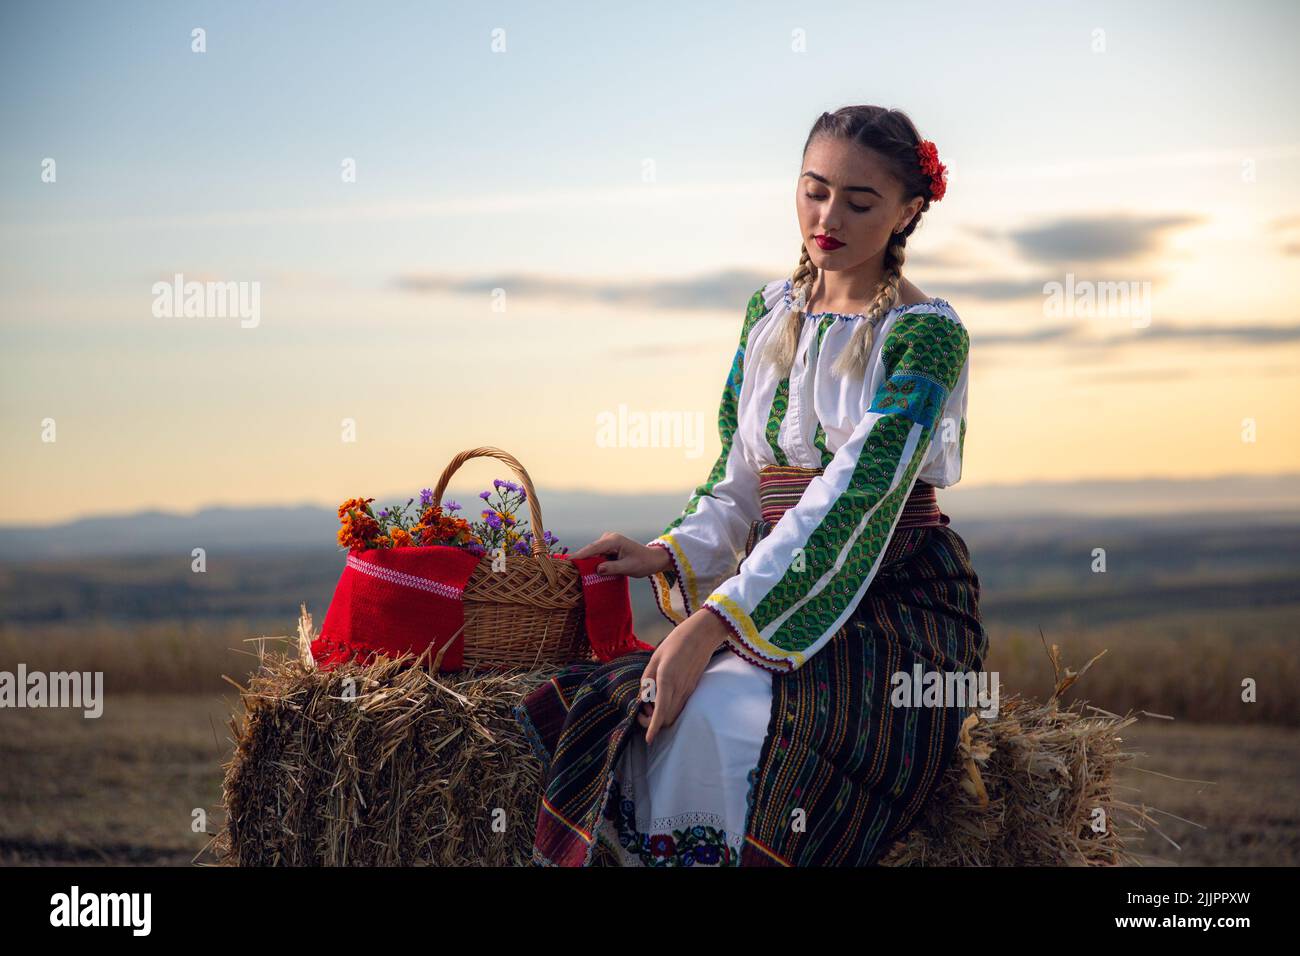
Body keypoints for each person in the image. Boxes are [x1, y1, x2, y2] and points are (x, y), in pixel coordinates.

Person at [513, 105, 989, 867]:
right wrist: (669, 553)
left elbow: (855, 500)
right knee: (638, 713)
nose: (827, 216)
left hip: (892, 596)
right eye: (814, 190)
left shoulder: (926, 335)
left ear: (907, 212)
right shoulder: (768, 315)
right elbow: (738, 478)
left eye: (859, 202)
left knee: (723, 716)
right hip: (775, 581)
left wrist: (710, 626)